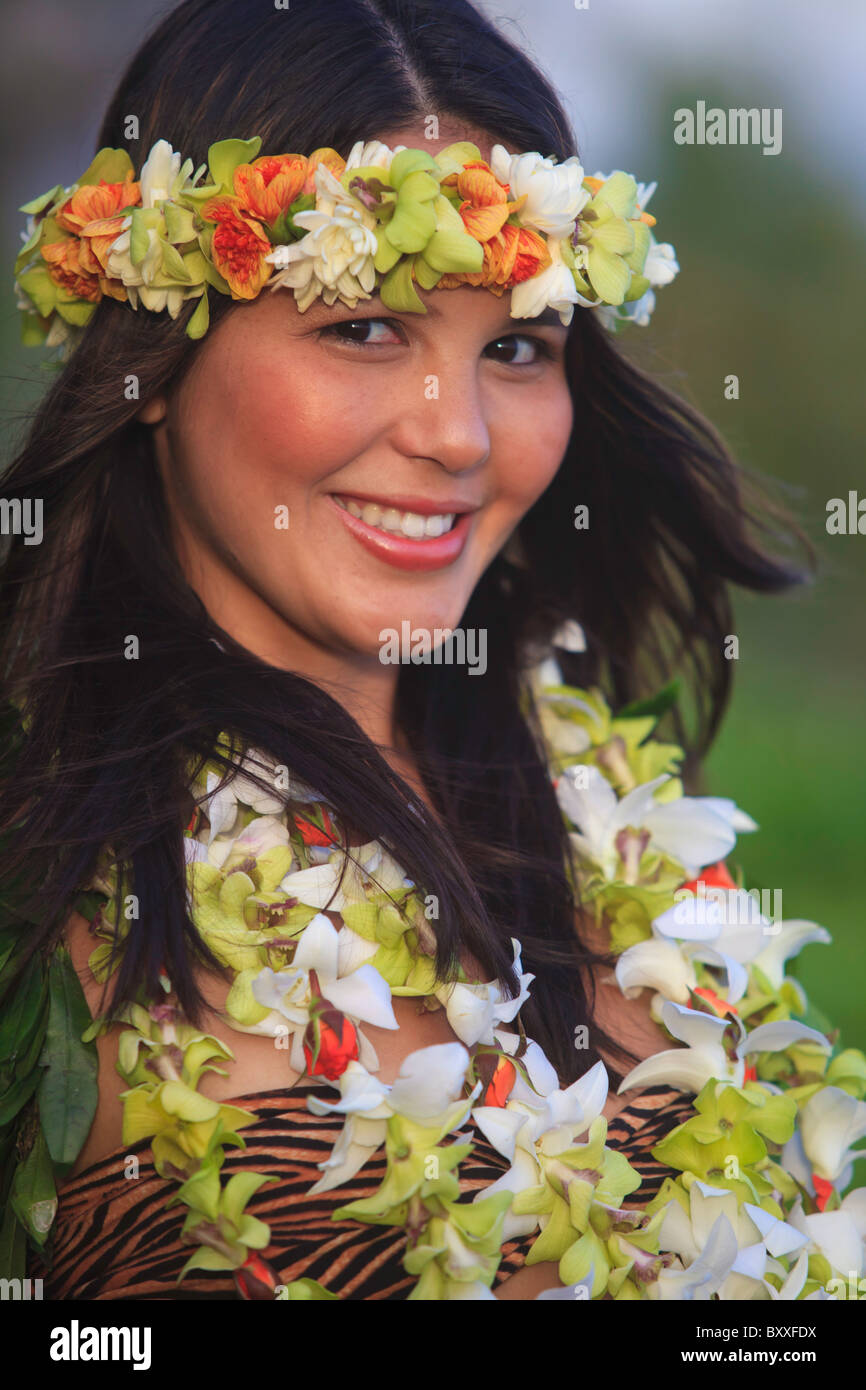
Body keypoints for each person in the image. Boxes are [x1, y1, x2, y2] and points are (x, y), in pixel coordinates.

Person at [2, 0, 861, 1303]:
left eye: (516, 346)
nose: (457, 434)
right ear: (155, 354)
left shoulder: (614, 825)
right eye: (362, 327)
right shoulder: (33, 857)